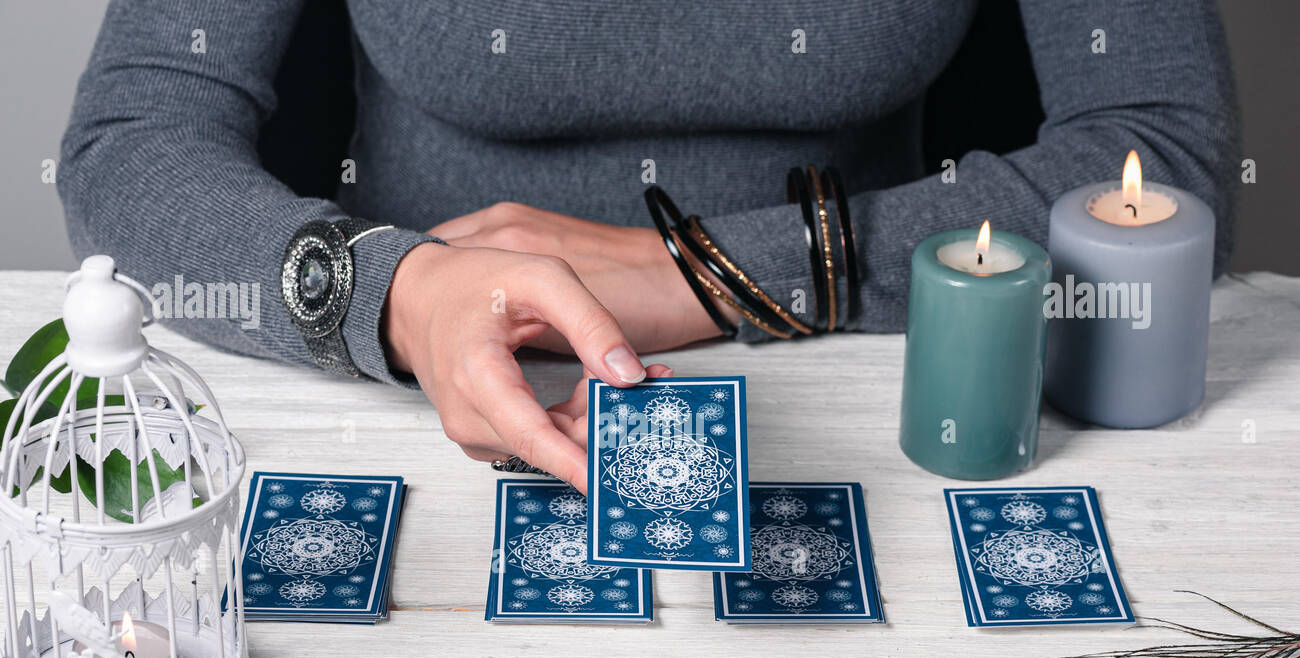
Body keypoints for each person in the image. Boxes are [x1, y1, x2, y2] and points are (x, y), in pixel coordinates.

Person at [59, 0, 1240, 491]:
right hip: (417, 401)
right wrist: (395, 294)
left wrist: (711, 272)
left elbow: (1159, 151)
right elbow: (133, 137)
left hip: (894, 401)